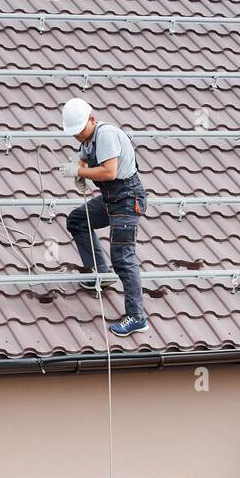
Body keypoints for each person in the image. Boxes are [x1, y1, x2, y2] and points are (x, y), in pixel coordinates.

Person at [61, 97, 149, 337]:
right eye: (74, 133)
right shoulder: (87, 140)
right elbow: (84, 156)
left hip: (127, 199)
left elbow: (109, 172)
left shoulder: (107, 134)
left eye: (80, 131)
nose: (77, 136)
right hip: (111, 199)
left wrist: (80, 171)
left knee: (123, 256)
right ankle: (101, 271)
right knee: (77, 220)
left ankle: (137, 317)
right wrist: (79, 170)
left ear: (92, 119)